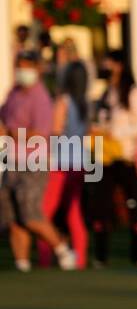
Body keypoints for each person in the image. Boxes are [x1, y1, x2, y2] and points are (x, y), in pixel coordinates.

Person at [1, 51, 79, 271]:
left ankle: (62, 248)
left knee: (30, 214)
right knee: (13, 218)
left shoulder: (40, 97)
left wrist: (12, 133)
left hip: (33, 162)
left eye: (26, 66)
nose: (21, 71)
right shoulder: (14, 93)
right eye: (19, 66)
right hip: (10, 160)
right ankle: (22, 263)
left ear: (36, 69)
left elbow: (42, 132)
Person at [86, 50, 137, 267]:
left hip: (128, 158)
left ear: (118, 65)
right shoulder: (106, 93)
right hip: (106, 158)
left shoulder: (135, 93)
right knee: (101, 206)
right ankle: (101, 256)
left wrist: (122, 133)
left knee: (134, 205)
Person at [36, 39, 91, 268]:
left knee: (45, 213)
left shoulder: (63, 100)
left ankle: (45, 258)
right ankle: (80, 258)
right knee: (73, 213)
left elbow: (55, 132)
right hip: (79, 161)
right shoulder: (85, 103)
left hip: (61, 161)